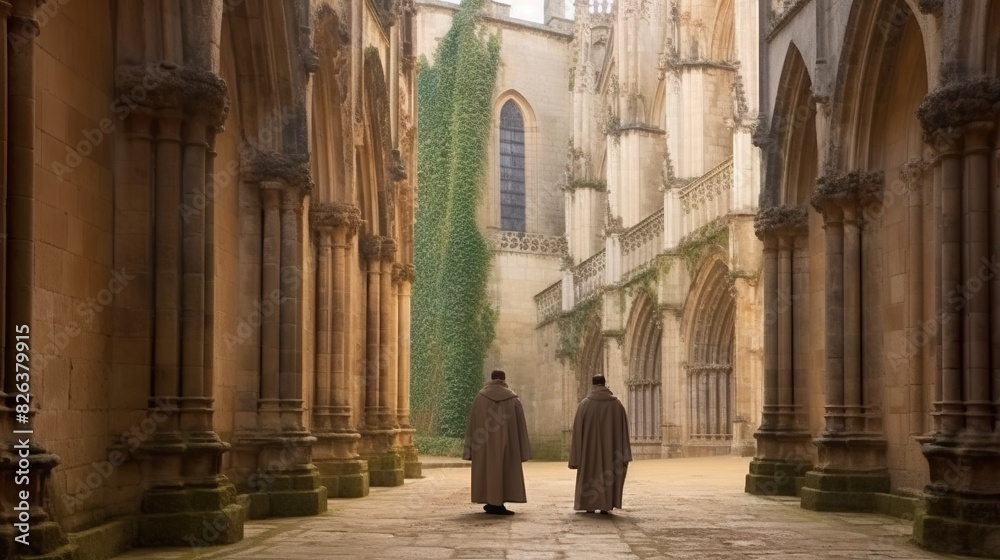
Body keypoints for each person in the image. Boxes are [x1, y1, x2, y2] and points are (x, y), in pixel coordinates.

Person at [463, 369, 532, 515]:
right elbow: (521, 427)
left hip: (484, 447)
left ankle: (491, 501)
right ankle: (498, 504)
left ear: (491, 379)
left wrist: (470, 449)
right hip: (507, 446)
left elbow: (472, 424)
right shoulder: (513, 400)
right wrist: (522, 449)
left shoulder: (479, 399)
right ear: (504, 379)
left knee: (488, 471)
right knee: (504, 470)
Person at [568, 374, 631, 514]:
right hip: (612, 454)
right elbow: (623, 432)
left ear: (592, 384)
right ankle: (606, 505)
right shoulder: (617, 405)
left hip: (588, 453)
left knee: (589, 472)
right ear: (604, 384)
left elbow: (577, 434)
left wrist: (576, 457)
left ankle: (588, 504)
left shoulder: (584, 405)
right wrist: (625, 454)